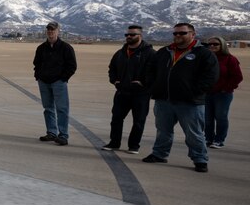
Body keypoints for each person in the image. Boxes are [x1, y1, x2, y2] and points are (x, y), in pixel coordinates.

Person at [143, 23, 218, 172]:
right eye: (175, 33)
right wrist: (153, 87)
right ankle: (159, 154)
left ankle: (200, 159)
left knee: (194, 133)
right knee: (163, 130)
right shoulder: (165, 51)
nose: (178, 36)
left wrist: (194, 92)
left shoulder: (203, 53)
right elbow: (150, 70)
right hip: (164, 99)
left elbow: (211, 76)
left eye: (182, 33)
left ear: (192, 34)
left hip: (190, 102)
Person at [104, 25, 155, 153]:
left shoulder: (150, 53)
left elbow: (155, 72)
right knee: (116, 119)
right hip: (122, 92)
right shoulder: (120, 53)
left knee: (138, 121)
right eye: (127, 35)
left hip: (141, 94)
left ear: (140, 36)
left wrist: (143, 82)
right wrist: (114, 80)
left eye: (132, 35)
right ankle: (114, 143)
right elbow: (112, 69)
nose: (129, 37)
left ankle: (134, 146)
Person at [33, 21, 77, 146]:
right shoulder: (41, 48)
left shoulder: (66, 48)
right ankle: (51, 132)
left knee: (62, 109)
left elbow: (72, 66)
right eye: (48, 30)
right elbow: (36, 64)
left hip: (59, 83)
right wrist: (38, 76)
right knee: (48, 108)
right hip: (44, 82)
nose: (50, 32)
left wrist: (63, 78)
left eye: (53, 30)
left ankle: (63, 135)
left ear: (58, 31)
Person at [204, 36, 242, 148]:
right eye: (209, 44)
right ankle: (208, 138)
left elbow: (237, 77)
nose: (212, 46)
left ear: (222, 45)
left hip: (223, 94)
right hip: (206, 93)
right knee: (207, 118)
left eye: (215, 44)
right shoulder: (205, 58)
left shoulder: (230, 59)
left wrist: (226, 88)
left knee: (221, 117)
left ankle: (219, 140)